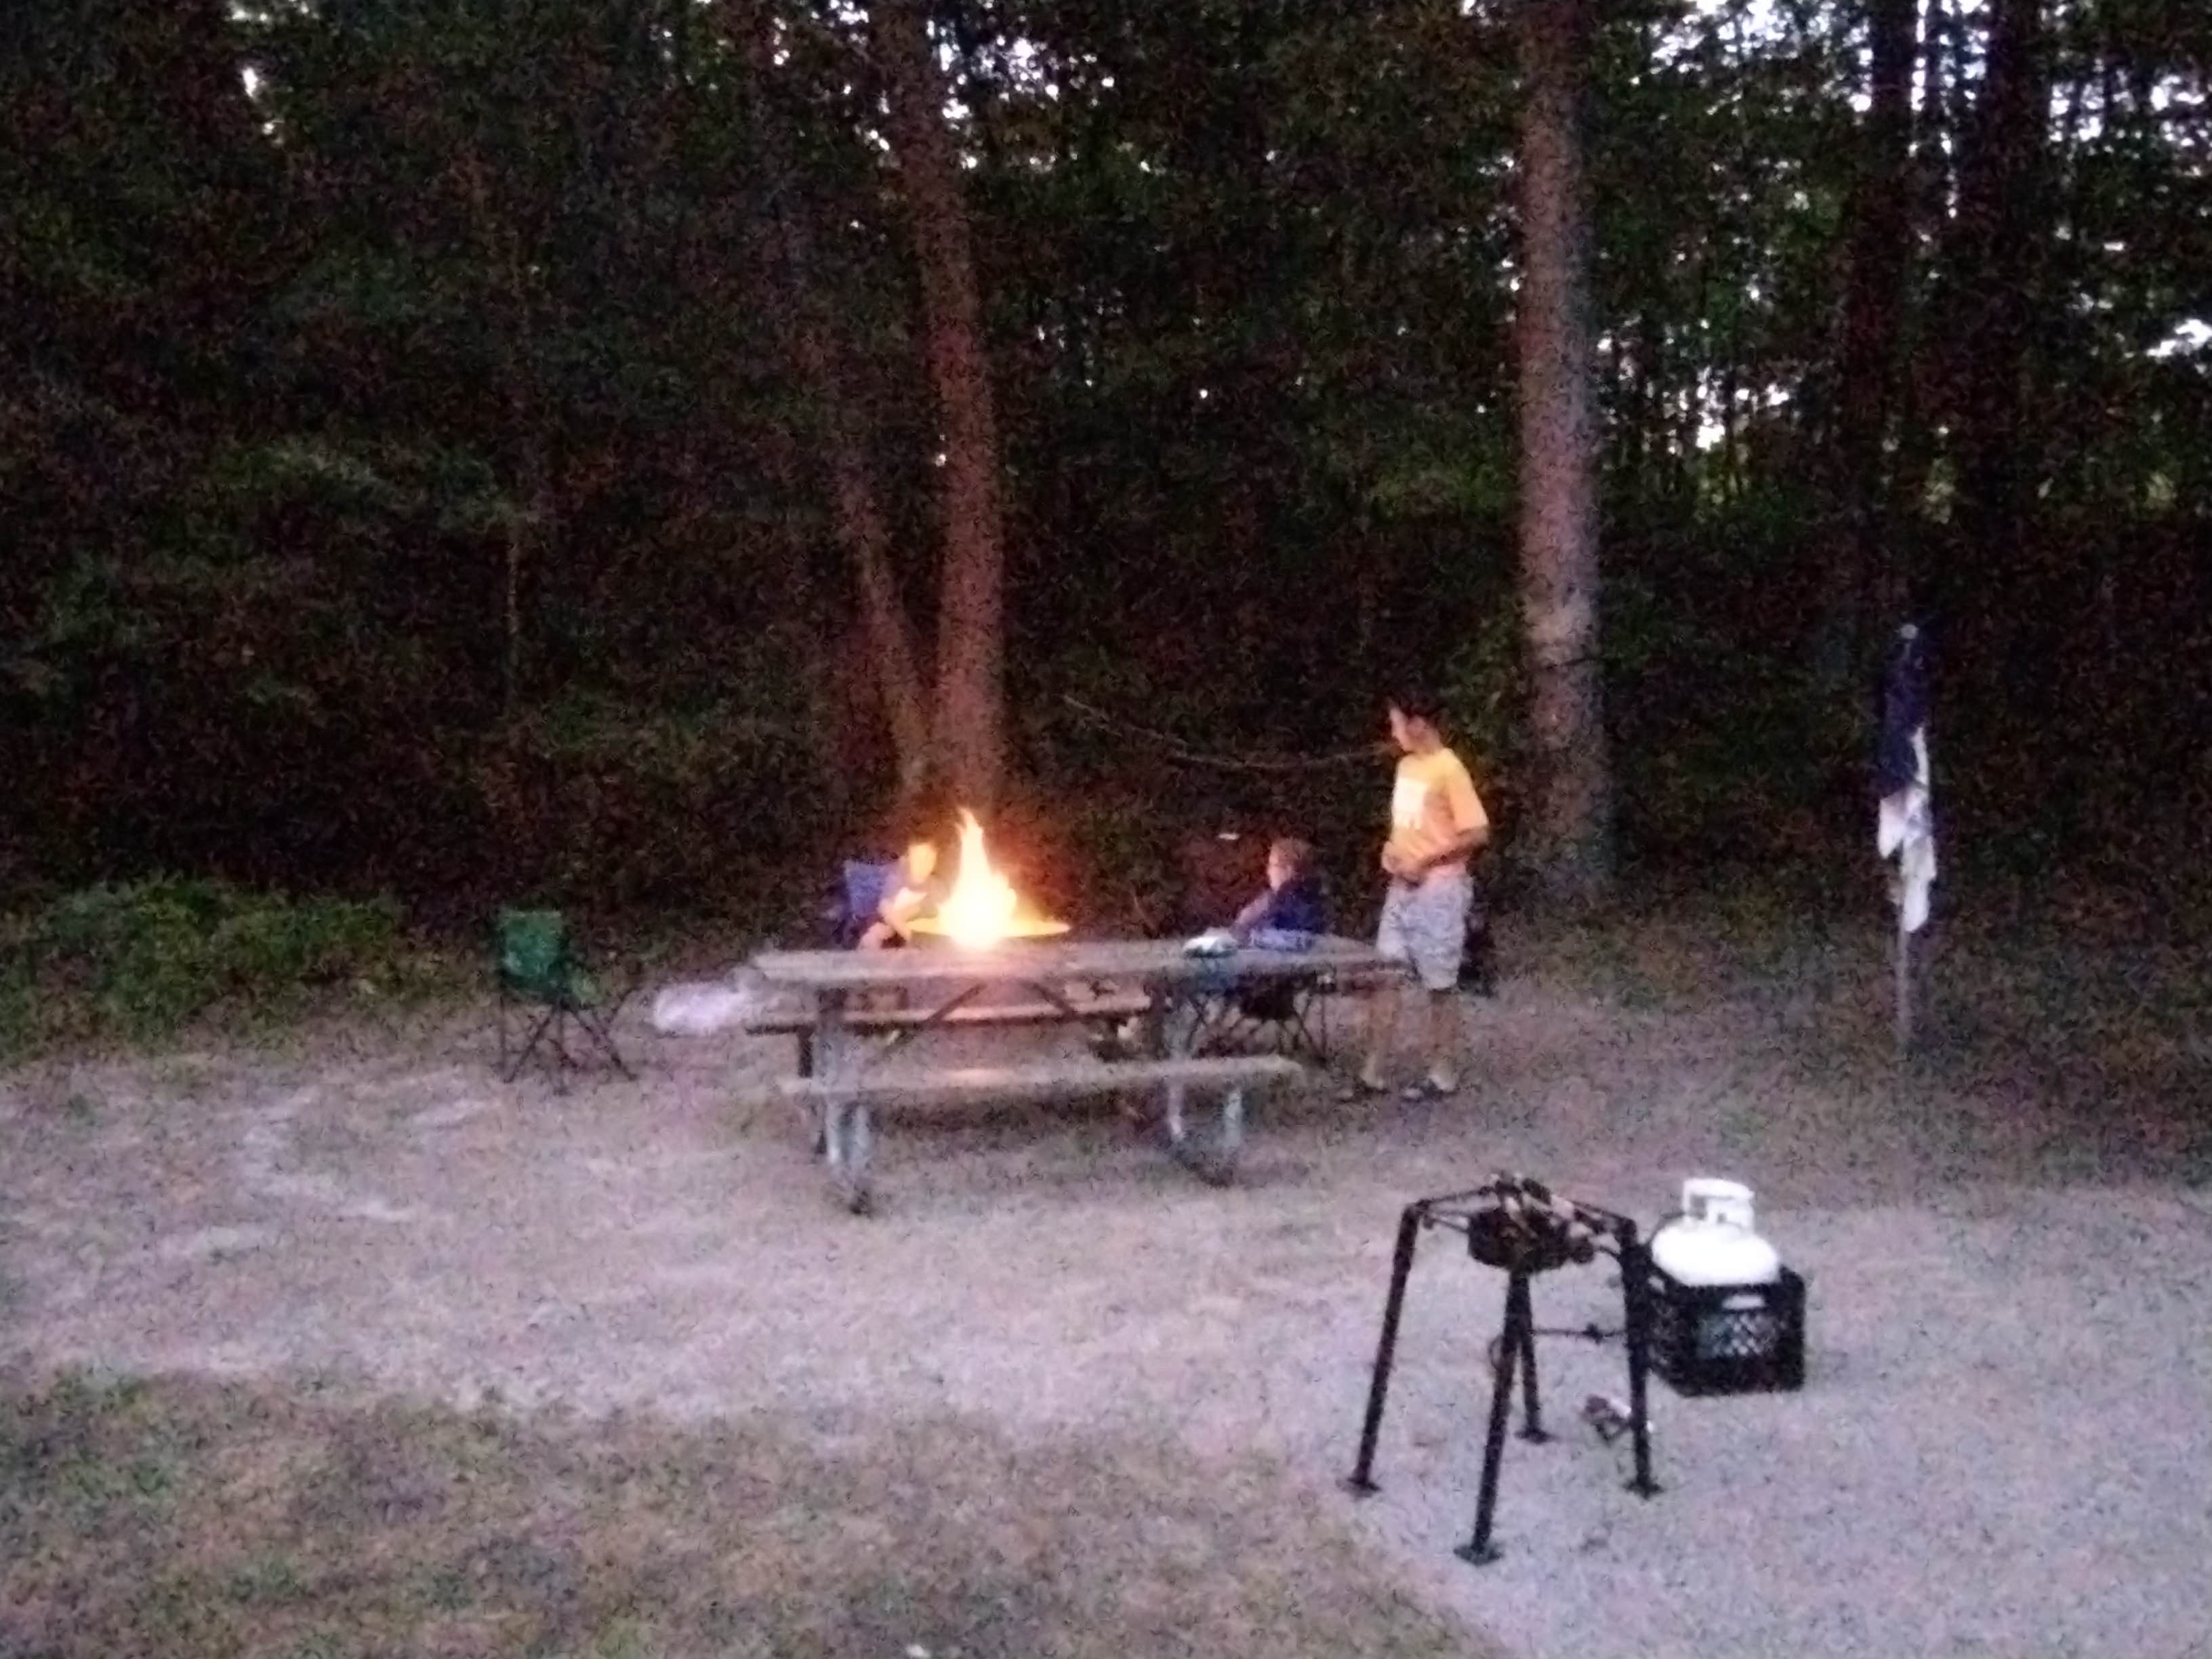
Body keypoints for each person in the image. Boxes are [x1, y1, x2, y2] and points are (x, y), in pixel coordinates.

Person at [1348, 689, 1489, 1099]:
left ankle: (1442, 1073)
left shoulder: (1449, 769)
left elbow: (1477, 833)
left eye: (1396, 723)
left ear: (1418, 723)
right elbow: (1409, 825)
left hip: (1439, 889)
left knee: (1439, 981)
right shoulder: (1407, 767)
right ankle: (1372, 1073)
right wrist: (1392, 851)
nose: (1392, 732)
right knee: (1385, 973)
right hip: (1400, 887)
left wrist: (1424, 861)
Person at [1229, 836, 1328, 945]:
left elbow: (1240, 929)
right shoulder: (1321, 903)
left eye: (1272, 865)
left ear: (1290, 870)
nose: (1268, 872)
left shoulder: (1271, 902)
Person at [855, 837, 940, 949]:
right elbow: (886, 910)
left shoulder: (935, 884)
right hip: (880, 927)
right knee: (874, 935)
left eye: (929, 858)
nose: (923, 863)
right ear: (908, 858)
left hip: (907, 930)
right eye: (918, 858)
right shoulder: (897, 876)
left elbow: (927, 910)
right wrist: (914, 939)